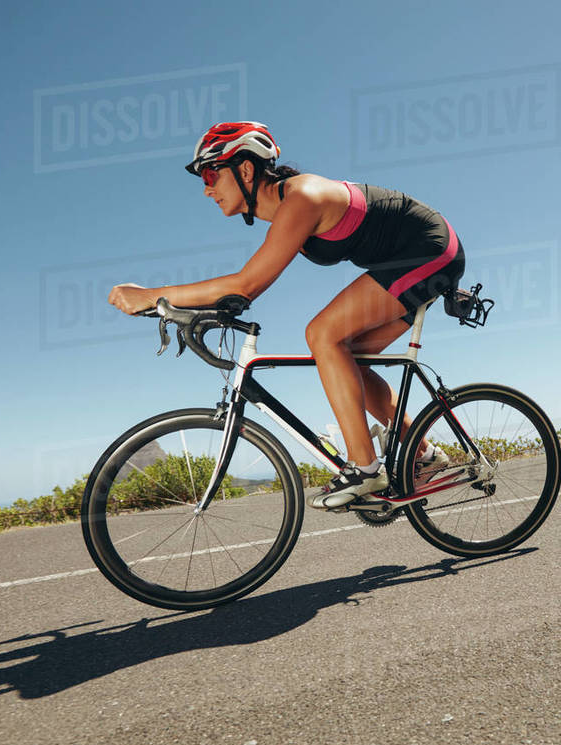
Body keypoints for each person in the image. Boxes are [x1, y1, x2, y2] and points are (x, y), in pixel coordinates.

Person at [108, 121, 463, 509]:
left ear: (245, 170)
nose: (207, 188)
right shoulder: (285, 212)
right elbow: (242, 288)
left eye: (211, 173)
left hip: (430, 252)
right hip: (406, 262)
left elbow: (246, 284)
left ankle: (365, 468)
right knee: (349, 360)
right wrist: (181, 308)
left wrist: (150, 295)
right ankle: (425, 455)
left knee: (323, 334)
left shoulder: (303, 198)